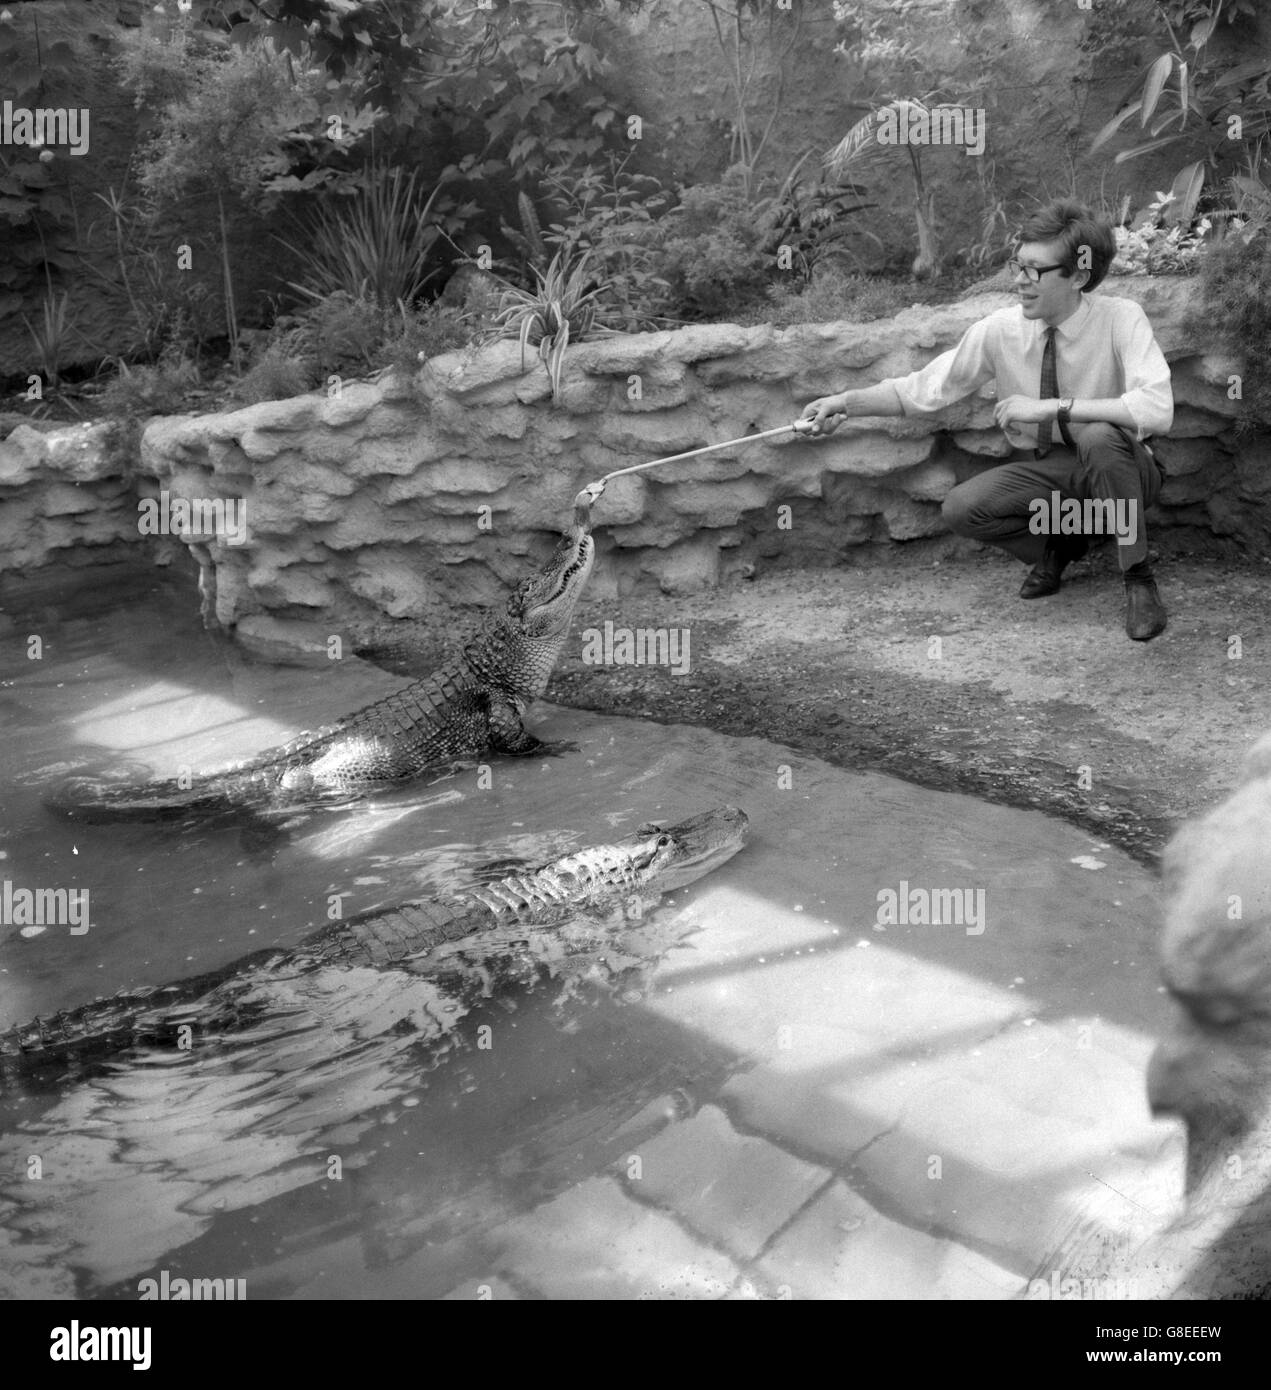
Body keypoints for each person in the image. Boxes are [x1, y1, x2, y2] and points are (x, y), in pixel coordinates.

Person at [800, 199, 1173, 641]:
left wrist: (1054, 408)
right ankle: (1060, 543)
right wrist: (843, 403)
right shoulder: (1000, 330)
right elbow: (926, 388)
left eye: (1036, 270)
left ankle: (1138, 578)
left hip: (1125, 470)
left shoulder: (1121, 319)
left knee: (1097, 436)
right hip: (1054, 472)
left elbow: (1157, 409)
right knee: (962, 508)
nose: (1019, 280)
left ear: (1078, 276)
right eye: (1018, 264)